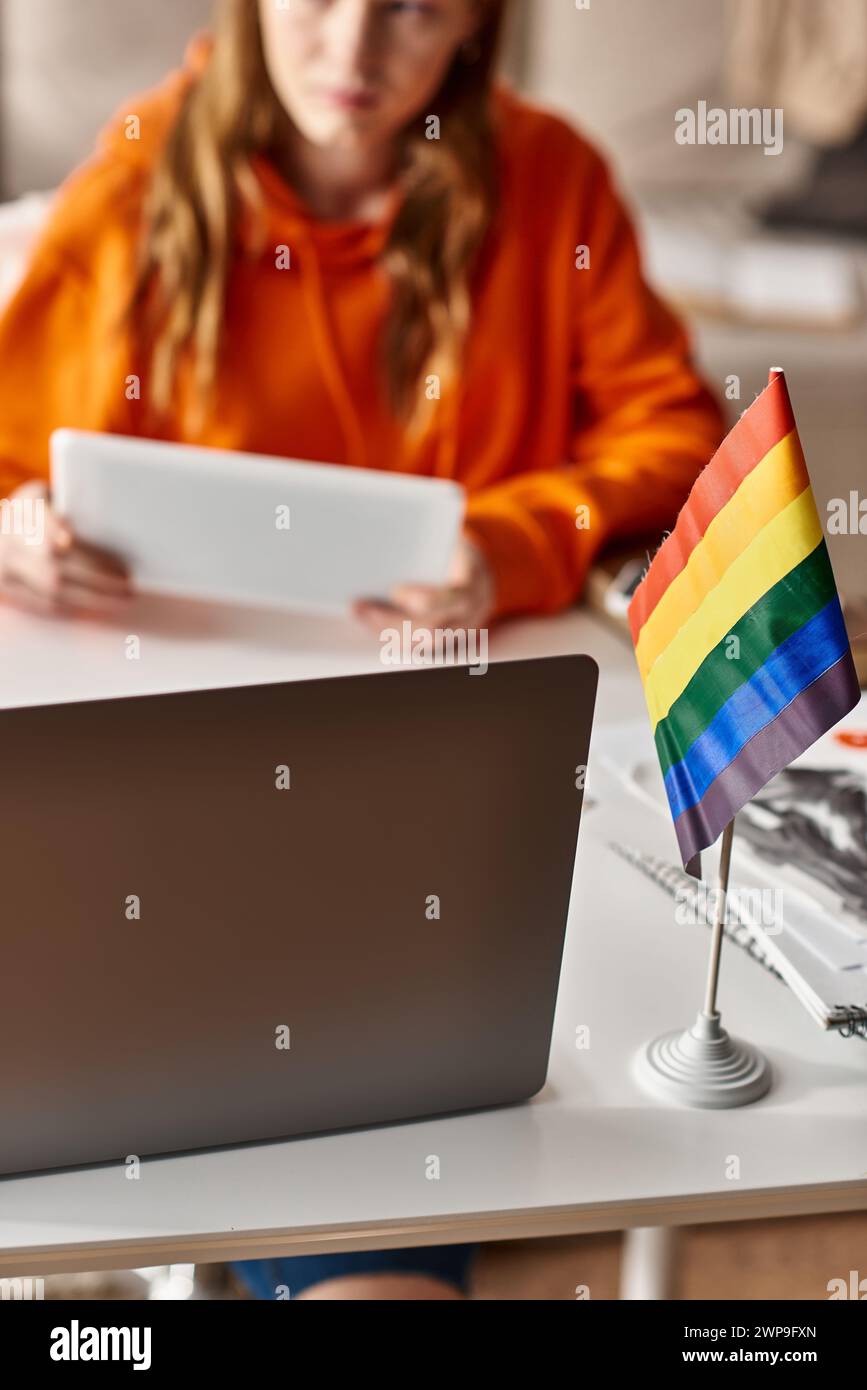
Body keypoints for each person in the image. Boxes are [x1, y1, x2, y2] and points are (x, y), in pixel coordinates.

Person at [0, 0, 723, 1296]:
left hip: (424, 793)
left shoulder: (553, 182)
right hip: (159, 778)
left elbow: (673, 437)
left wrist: (513, 544)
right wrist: (15, 529)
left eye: (412, 10)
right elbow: (8, 459)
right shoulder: (142, 171)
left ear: (473, 29)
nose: (352, 49)